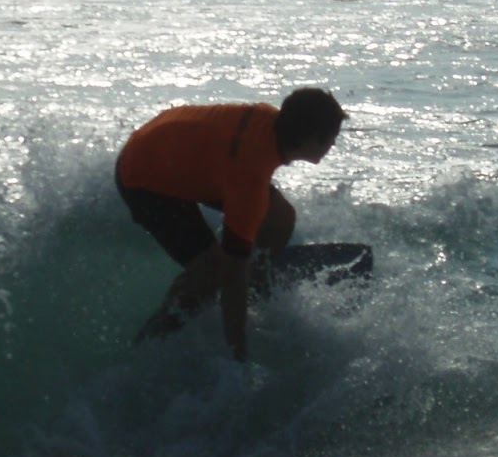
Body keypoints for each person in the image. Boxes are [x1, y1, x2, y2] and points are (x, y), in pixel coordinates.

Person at [116, 88, 346, 360]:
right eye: (332, 136)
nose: (334, 143)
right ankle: (151, 344)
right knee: (214, 270)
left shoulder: (271, 124)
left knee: (279, 217)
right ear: (310, 138)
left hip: (186, 156)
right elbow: (232, 272)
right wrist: (237, 353)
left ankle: (255, 284)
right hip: (143, 175)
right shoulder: (249, 179)